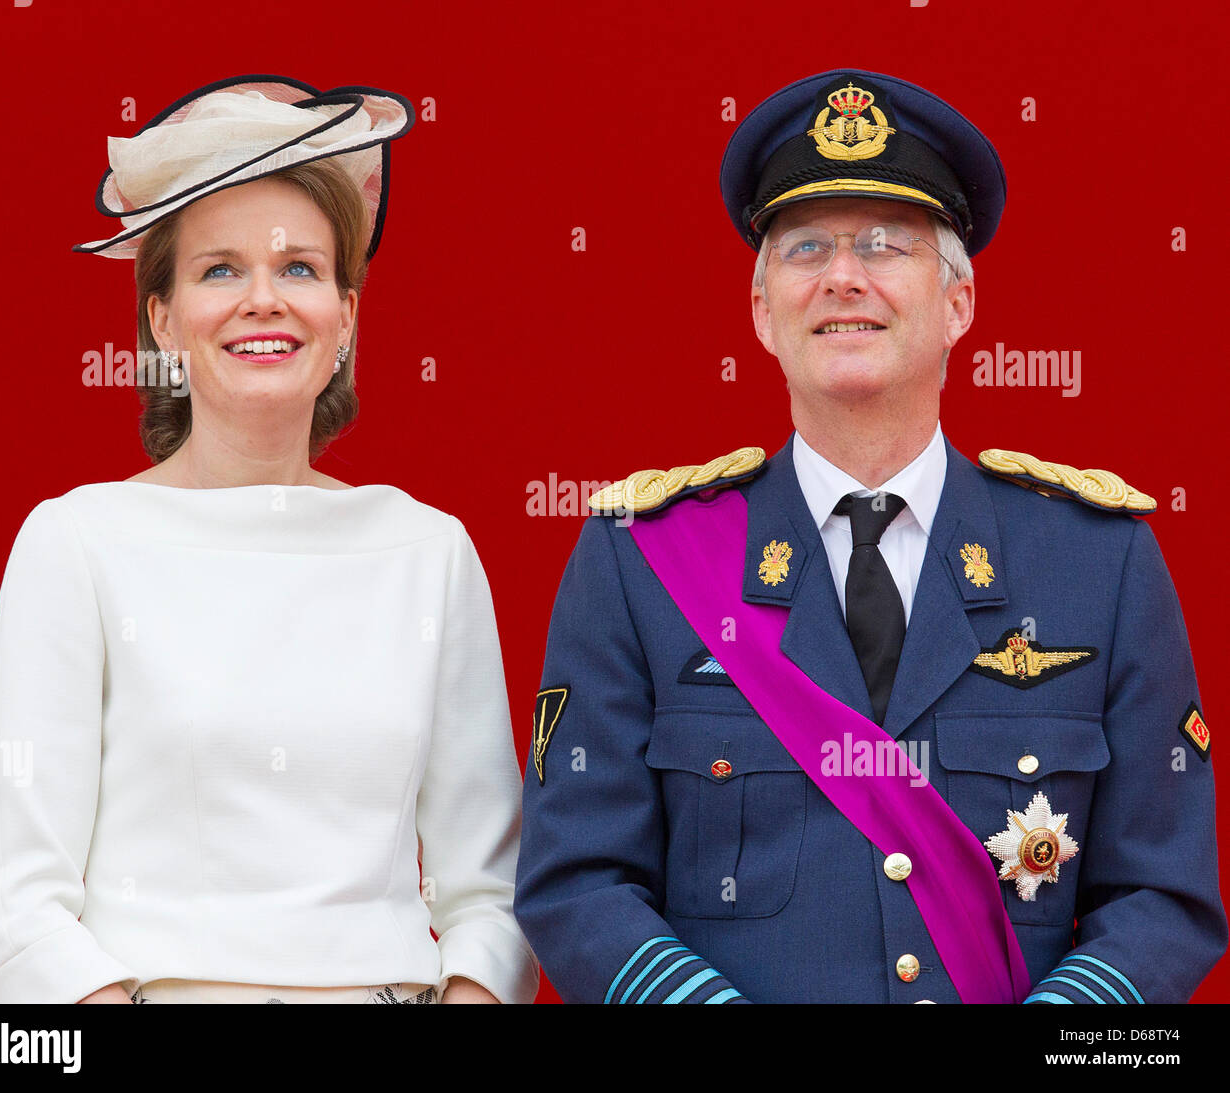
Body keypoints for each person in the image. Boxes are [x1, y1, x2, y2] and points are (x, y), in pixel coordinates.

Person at [513, 68, 1226, 1004]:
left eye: (887, 244)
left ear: (959, 304)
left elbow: (1165, 897)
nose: (844, 275)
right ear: (763, 314)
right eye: (805, 247)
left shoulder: (1101, 559)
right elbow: (577, 881)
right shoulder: (637, 561)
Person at [0, 75, 538, 1005]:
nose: (263, 300)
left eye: (301, 269)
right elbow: (18, 903)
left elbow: (494, 892)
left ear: (346, 317)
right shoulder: (73, 543)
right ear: (163, 319)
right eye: (220, 269)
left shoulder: (428, 552)